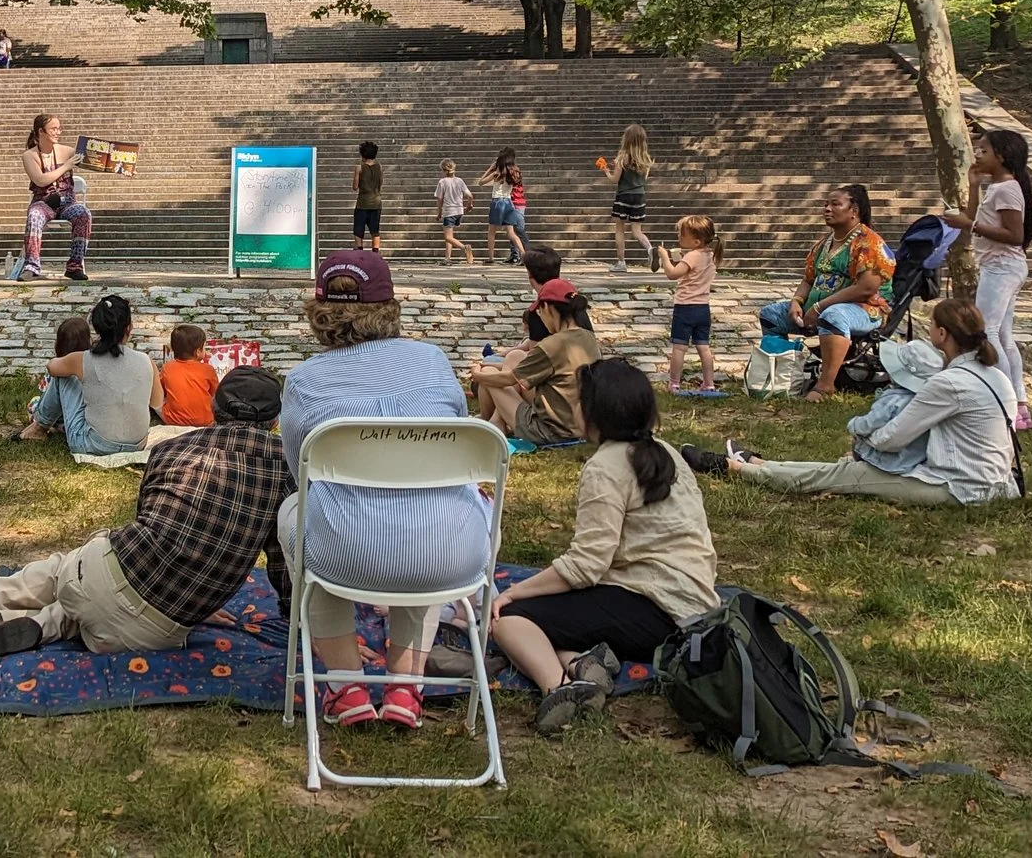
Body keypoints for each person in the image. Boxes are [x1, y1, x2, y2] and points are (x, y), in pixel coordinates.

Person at [0, 366, 294, 658]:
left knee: (64, 571)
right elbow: (285, 566)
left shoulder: (171, 449)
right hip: (155, 632)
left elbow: (151, 524)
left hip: (93, 576)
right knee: (94, 616)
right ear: (276, 421)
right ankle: (34, 627)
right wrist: (301, 625)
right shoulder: (287, 471)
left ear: (214, 408)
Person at [279, 251, 495, 730]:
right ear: (390, 307)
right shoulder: (433, 361)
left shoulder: (303, 381)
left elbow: (301, 473)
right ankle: (404, 687)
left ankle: (345, 686)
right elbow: (458, 447)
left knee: (299, 509)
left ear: (319, 312)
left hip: (347, 556)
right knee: (432, 506)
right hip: (451, 555)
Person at [486, 359, 718, 737]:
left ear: (597, 412)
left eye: (579, 400)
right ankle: (584, 664)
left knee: (509, 620)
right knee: (552, 614)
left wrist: (514, 592)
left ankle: (560, 688)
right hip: (696, 604)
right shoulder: (665, 451)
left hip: (656, 612)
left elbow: (586, 565)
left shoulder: (606, 467)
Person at [690, 299, 1022, 505]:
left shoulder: (949, 383)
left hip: (961, 486)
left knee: (841, 474)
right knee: (845, 468)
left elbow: (894, 437)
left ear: (942, 334)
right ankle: (759, 464)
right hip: (993, 480)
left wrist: (863, 442)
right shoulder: (994, 375)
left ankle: (738, 469)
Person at [759, 185, 894, 400]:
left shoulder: (870, 244)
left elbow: (866, 288)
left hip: (865, 311)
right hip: (817, 309)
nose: (827, 209)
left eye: (835, 204)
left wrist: (819, 307)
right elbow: (808, 279)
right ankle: (780, 376)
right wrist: (796, 301)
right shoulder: (824, 243)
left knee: (833, 316)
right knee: (771, 315)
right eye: (826, 204)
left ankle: (825, 385)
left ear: (854, 210)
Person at [943, 129, 1032, 431]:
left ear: (1003, 156)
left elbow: (1015, 235)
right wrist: (973, 186)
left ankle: (1005, 403)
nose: (978, 154)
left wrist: (969, 224)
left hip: (1002, 268)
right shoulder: (997, 187)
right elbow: (972, 220)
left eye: (984, 150)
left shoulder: (1007, 189)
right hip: (999, 267)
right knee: (1004, 336)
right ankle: (1019, 406)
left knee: (988, 332)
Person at [469, 279, 605, 446]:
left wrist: (477, 374)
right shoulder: (587, 337)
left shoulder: (552, 345)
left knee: (489, 374)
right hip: (582, 425)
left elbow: (508, 379)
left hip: (549, 431)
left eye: (540, 311)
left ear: (547, 307)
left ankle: (490, 424)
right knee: (515, 356)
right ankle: (498, 421)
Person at [12, 295, 151, 457]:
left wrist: (72, 361)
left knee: (64, 375)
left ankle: (40, 426)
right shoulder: (146, 360)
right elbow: (156, 402)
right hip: (137, 444)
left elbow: (52, 367)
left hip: (93, 444)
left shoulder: (82, 359)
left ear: (97, 329)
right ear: (129, 328)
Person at [17, 114, 92, 282]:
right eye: (53, 129)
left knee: (83, 213)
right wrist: (66, 166)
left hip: (67, 202)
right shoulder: (29, 156)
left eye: (59, 128)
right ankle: (31, 266)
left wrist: (125, 168)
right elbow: (40, 180)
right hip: (43, 202)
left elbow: (97, 159)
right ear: (41, 131)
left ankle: (75, 266)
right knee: (34, 215)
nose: (58, 132)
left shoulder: (67, 151)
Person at [661, 215, 723, 394]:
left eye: (682, 235)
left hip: (685, 308)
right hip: (703, 308)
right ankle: (709, 383)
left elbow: (672, 274)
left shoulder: (692, 256)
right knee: (703, 346)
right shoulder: (711, 255)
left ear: (696, 241)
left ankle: (674, 383)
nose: (679, 237)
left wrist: (665, 258)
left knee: (680, 347)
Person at [601, 123, 655, 272]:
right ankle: (650, 249)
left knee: (620, 229)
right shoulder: (645, 159)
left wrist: (607, 171)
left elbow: (614, 180)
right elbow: (644, 179)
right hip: (639, 196)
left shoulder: (623, 157)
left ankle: (621, 262)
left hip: (623, 196)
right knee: (637, 231)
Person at [154, 323, 218, 428]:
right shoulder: (208, 369)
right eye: (204, 348)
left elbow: (162, 392)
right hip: (204, 421)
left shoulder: (167, 368)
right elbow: (215, 394)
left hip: (174, 421)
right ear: (198, 352)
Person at [478, 148, 527, 265]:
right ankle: (523, 254)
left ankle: (491, 257)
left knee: (491, 231)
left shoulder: (497, 173)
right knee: (511, 233)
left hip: (497, 202)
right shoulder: (514, 173)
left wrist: (490, 169)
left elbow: (481, 182)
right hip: (509, 202)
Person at [434, 159, 474, 264]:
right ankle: (447, 257)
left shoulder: (442, 182)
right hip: (459, 211)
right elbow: (470, 195)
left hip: (449, 211)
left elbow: (440, 199)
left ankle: (465, 248)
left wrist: (439, 213)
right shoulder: (459, 181)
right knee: (450, 236)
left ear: (444, 170)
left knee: (447, 237)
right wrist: (469, 205)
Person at [350, 141, 384, 251]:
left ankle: (359, 252)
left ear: (363, 154)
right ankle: (375, 253)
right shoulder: (379, 167)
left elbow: (355, 186)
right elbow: (380, 183)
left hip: (362, 203)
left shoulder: (359, 168)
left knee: (358, 231)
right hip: (376, 203)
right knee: (375, 231)